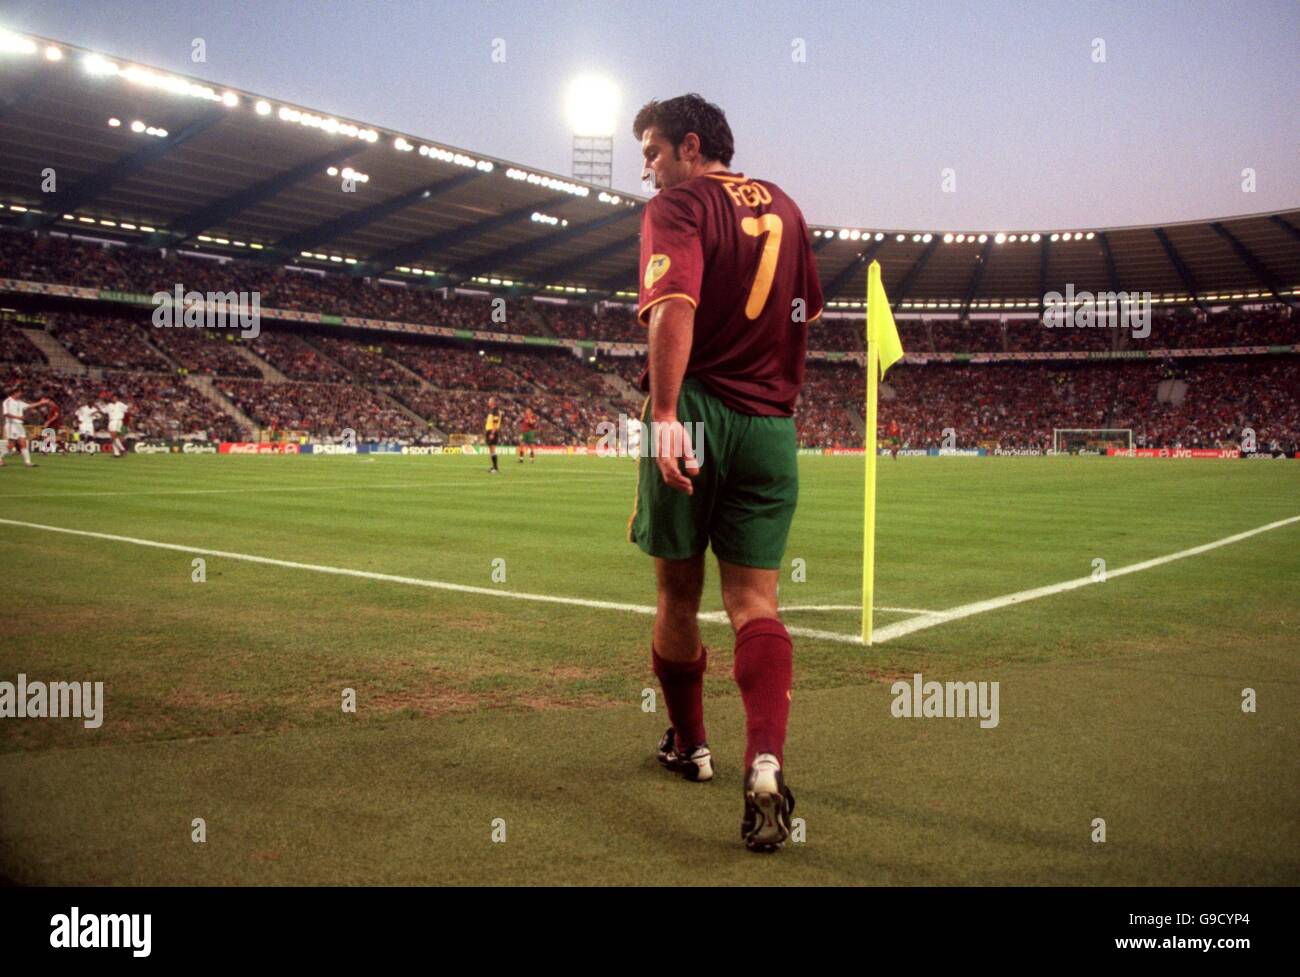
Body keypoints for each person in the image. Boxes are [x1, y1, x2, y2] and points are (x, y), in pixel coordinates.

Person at [628, 94, 823, 852]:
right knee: (756, 601)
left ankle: (690, 744)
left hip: (698, 409)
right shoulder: (789, 206)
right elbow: (804, 310)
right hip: (773, 426)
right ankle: (766, 762)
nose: (646, 168)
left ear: (689, 144)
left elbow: (673, 303)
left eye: (650, 150)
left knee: (679, 592)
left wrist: (670, 411)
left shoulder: (679, 206)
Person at [1, 382, 56, 468]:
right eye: (19, 392)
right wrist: (18, 417)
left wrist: (41, 403)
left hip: (19, 425)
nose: (20, 394)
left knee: (23, 444)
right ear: (14, 392)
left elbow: (29, 406)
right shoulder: (7, 401)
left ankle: (28, 462)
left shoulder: (19, 402)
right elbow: (6, 414)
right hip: (12, 424)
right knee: (10, 446)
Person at [484, 396, 502, 473]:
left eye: (489, 401)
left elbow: (495, 422)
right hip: (489, 431)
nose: (488, 402)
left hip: (492, 431)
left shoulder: (495, 411)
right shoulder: (492, 410)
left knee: (493, 449)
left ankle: (495, 468)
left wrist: (492, 433)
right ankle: (494, 467)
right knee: (491, 450)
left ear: (492, 402)